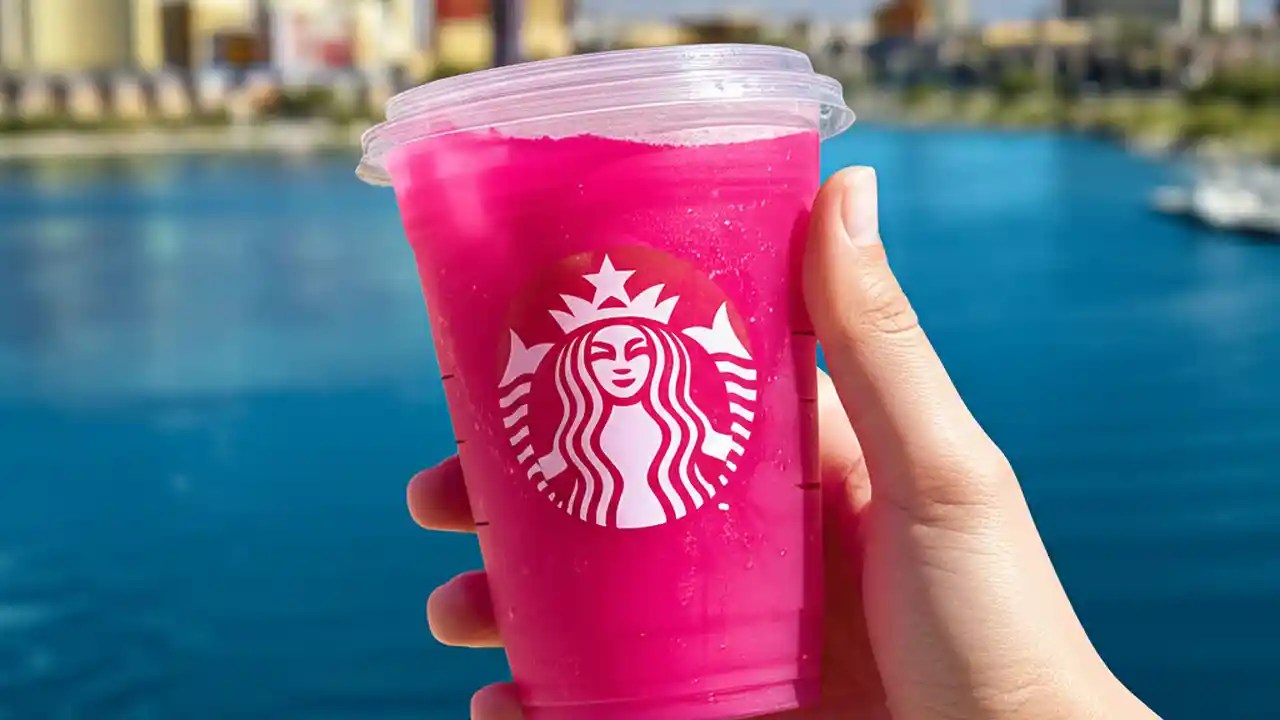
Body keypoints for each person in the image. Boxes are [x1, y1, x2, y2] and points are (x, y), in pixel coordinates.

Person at [406, 168, 1162, 720]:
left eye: (637, 349)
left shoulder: (684, 431)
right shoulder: (576, 445)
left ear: (669, 359)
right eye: (600, 354)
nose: (621, 363)